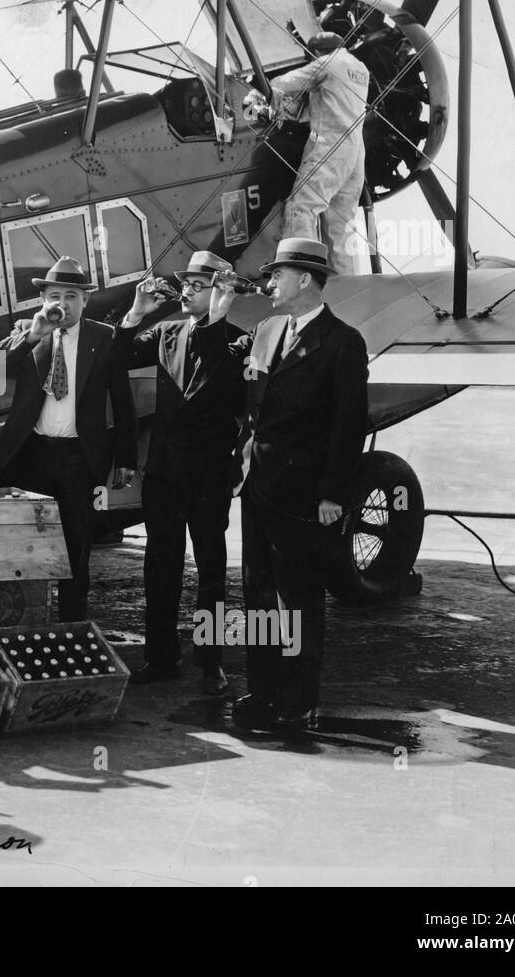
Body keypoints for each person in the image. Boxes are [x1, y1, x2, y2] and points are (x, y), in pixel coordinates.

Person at [199, 237, 369, 733]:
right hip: (257, 486)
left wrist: (333, 495)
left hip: (304, 495)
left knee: (297, 599)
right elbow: (222, 369)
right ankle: (264, 689)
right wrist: (217, 311)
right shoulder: (267, 328)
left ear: (305, 280)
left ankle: (298, 700)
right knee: (257, 595)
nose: (269, 282)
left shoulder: (342, 342)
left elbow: (348, 426)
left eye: (277, 274)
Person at [113, 252, 245, 694]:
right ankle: (161, 658)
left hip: (209, 476)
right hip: (165, 474)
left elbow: (227, 385)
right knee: (160, 566)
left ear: (221, 290)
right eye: (185, 283)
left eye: (197, 284)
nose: (186, 291)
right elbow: (118, 358)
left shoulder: (238, 340)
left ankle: (211, 662)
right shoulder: (165, 332)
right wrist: (136, 313)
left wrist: (215, 325)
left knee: (211, 570)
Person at [0, 257, 137, 622]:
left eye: (72, 296)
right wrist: (33, 335)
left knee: (76, 551)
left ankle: (72, 628)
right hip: (32, 455)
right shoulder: (30, 332)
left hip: (79, 458)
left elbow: (123, 402)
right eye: (55, 295)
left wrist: (127, 458)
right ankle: (27, 628)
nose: (63, 303)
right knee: (26, 549)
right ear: (43, 299)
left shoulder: (104, 337)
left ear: (85, 301)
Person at [245, 30, 370, 276]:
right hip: (355, 154)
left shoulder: (328, 63)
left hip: (329, 144)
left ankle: (301, 277)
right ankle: (345, 290)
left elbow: (285, 83)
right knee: (339, 225)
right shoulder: (360, 68)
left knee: (300, 208)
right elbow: (327, 103)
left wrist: (258, 95)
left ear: (318, 53)